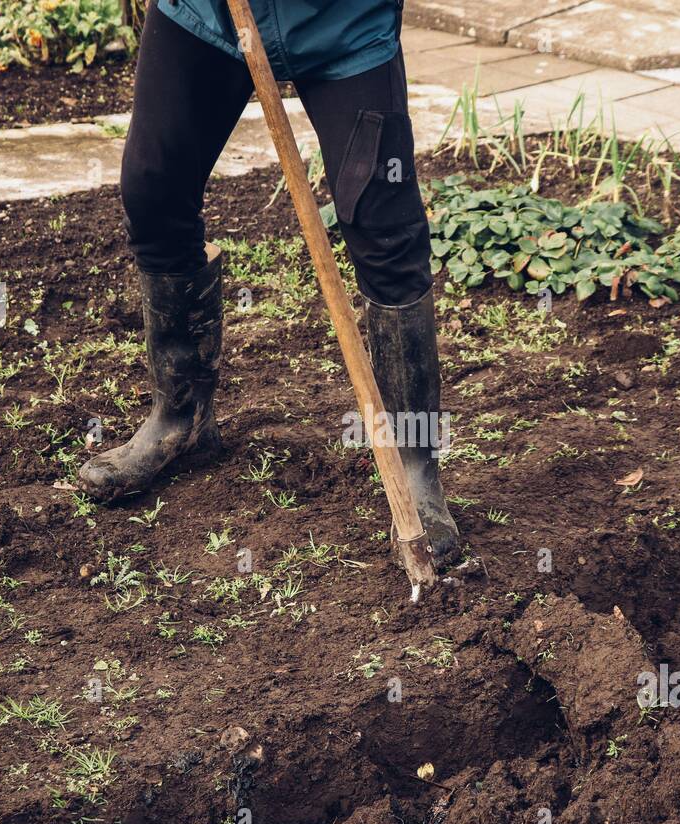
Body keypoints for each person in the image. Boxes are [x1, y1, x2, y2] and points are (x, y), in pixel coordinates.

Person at [78, 0, 459, 567]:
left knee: (384, 228)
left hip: (344, 21)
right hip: (207, 15)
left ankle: (414, 467)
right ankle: (180, 420)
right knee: (153, 190)